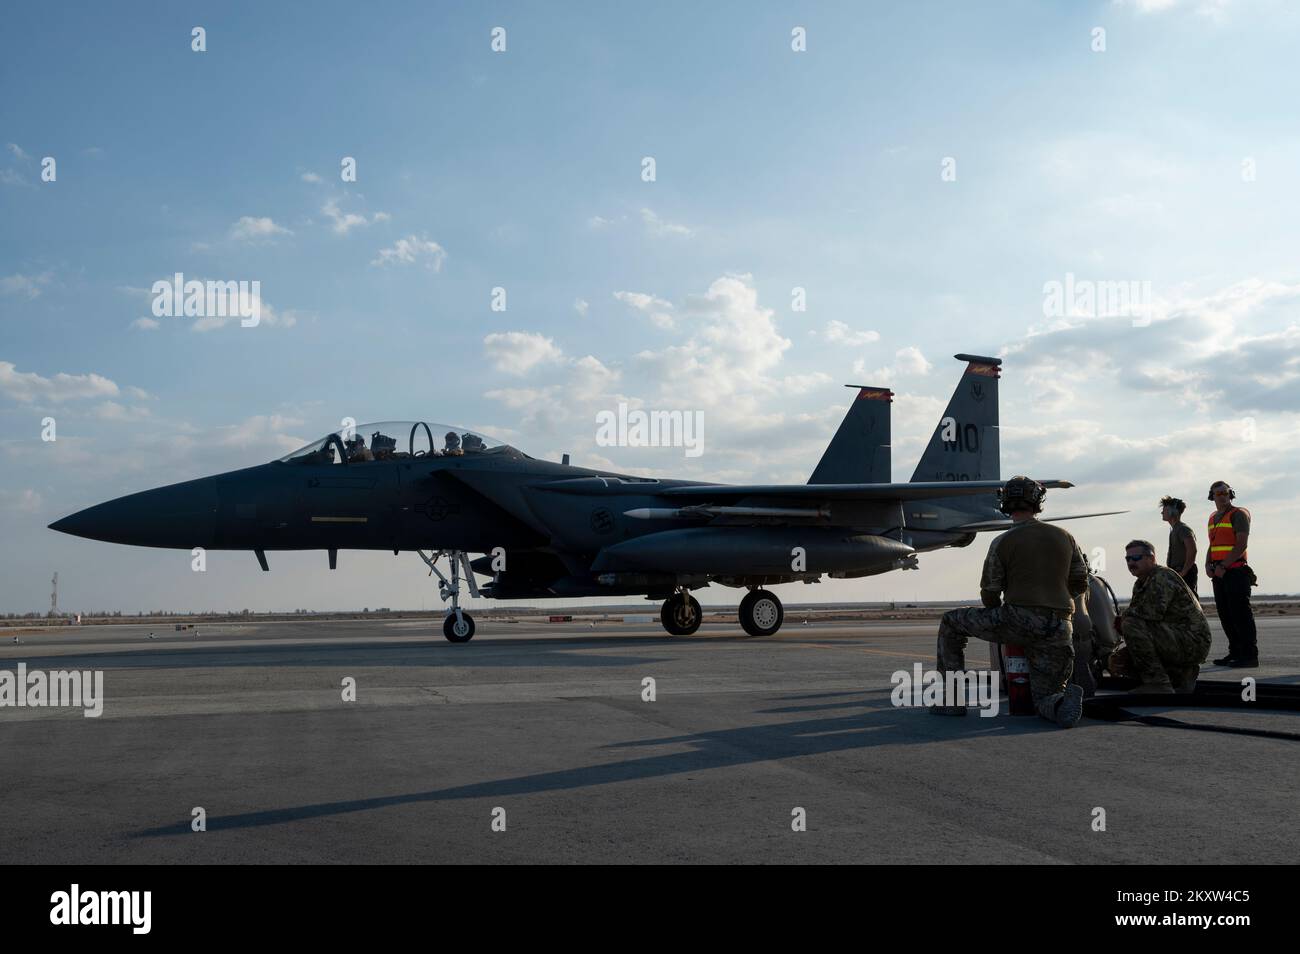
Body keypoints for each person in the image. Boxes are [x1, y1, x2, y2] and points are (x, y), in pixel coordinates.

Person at [931, 476, 1088, 727]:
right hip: (1059, 626)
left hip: (1018, 619)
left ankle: (951, 700)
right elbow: (1080, 583)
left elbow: (990, 592)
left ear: (1004, 503)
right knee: (1045, 696)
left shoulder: (1002, 541)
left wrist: (1002, 618)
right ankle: (1060, 705)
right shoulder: (1065, 537)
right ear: (1038, 502)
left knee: (951, 621)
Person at [1113, 540, 1210, 693]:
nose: (1131, 563)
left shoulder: (1162, 577)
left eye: (1136, 558)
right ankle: (1180, 677)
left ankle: (1158, 684)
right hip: (1176, 638)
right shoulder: (1141, 584)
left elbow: (1148, 614)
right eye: (1128, 559)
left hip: (1192, 642)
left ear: (1151, 558)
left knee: (1131, 625)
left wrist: (1122, 621)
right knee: (1123, 656)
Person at [1206, 481, 1258, 667]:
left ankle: (1249, 656)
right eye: (1218, 493)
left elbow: (1241, 544)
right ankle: (1235, 652)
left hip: (1235, 571)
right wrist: (1208, 564)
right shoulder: (1213, 517)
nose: (1222, 496)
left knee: (1241, 615)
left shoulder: (1238, 514)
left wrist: (1224, 565)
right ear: (1212, 496)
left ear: (1231, 494)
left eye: (1225, 492)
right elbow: (1212, 544)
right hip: (1219, 573)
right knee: (1226, 615)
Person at [1160, 495, 1197, 595]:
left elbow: (1192, 550)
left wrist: (1184, 571)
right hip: (1177, 572)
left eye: (1164, 510)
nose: (1162, 512)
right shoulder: (1175, 530)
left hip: (1184, 572)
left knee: (1189, 599)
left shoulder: (1183, 529)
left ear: (1172, 512)